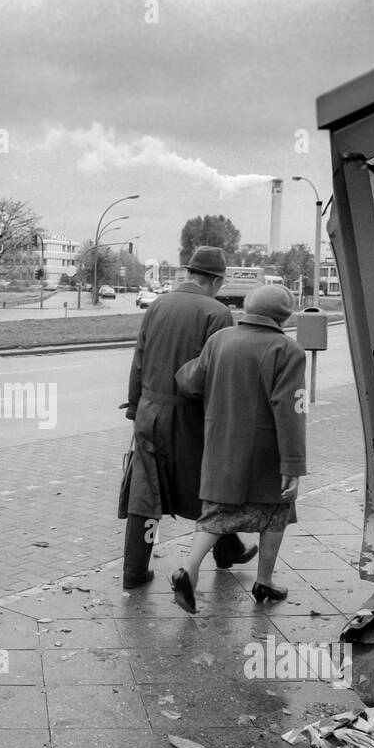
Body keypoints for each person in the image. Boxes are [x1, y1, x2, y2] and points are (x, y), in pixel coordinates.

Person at [119, 246, 256, 589]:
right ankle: (227, 549)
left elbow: (139, 358)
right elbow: (216, 373)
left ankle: (135, 570)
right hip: (191, 416)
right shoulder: (218, 312)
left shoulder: (158, 305)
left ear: (189, 272)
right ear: (216, 281)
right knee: (209, 487)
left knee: (145, 492)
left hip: (150, 411)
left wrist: (135, 405)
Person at [169, 284, 307, 612]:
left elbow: (191, 381)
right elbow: (290, 411)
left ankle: (188, 569)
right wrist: (293, 465)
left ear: (248, 307)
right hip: (265, 455)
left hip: (221, 448)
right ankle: (264, 581)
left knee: (216, 514)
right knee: (276, 514)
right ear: (284, 316)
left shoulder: (220, 340)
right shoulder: (287, 350)